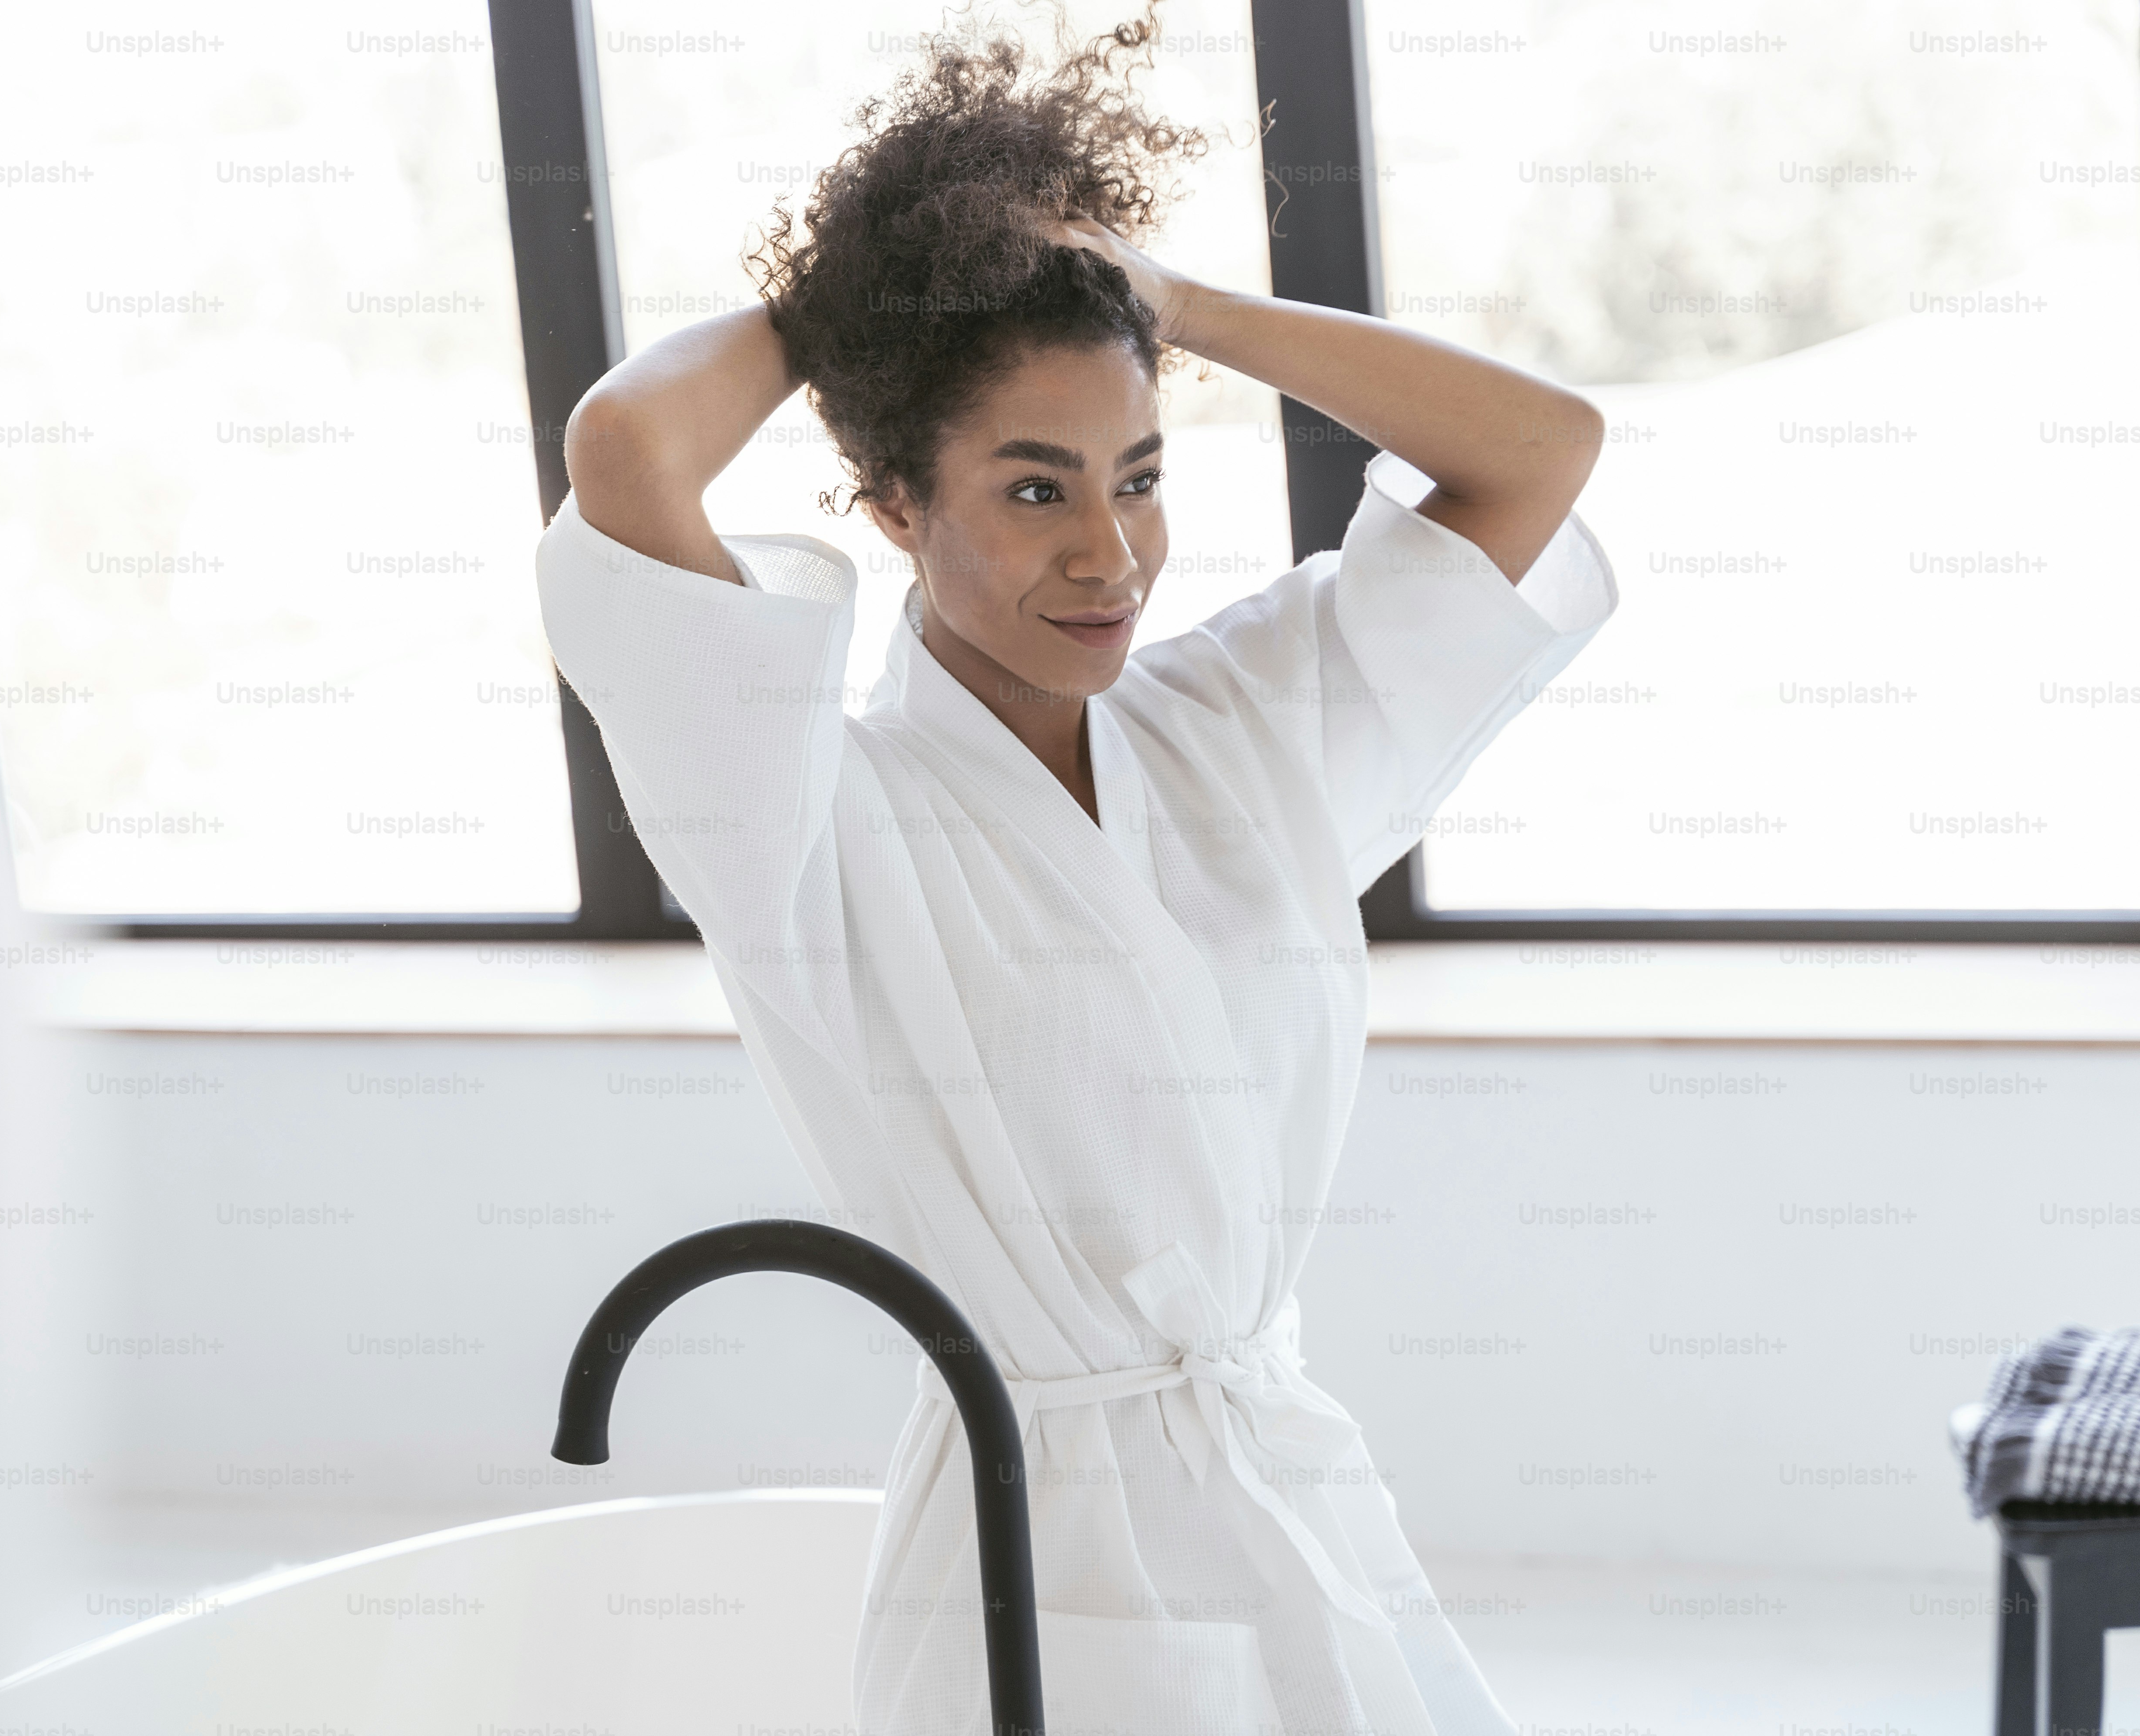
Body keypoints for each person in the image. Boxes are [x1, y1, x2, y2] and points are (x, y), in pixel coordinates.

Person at [537, 9, 1614, 1732]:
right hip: (1038, 1543)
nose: (1110, 553)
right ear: (894, 503)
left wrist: (1159, 297)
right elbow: (626, 455)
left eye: (1139, 475)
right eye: (1035, 488)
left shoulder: (1244, 725)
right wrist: (864, 299)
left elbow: (1541, 448)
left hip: (1284, 1482)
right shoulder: (805, 811)